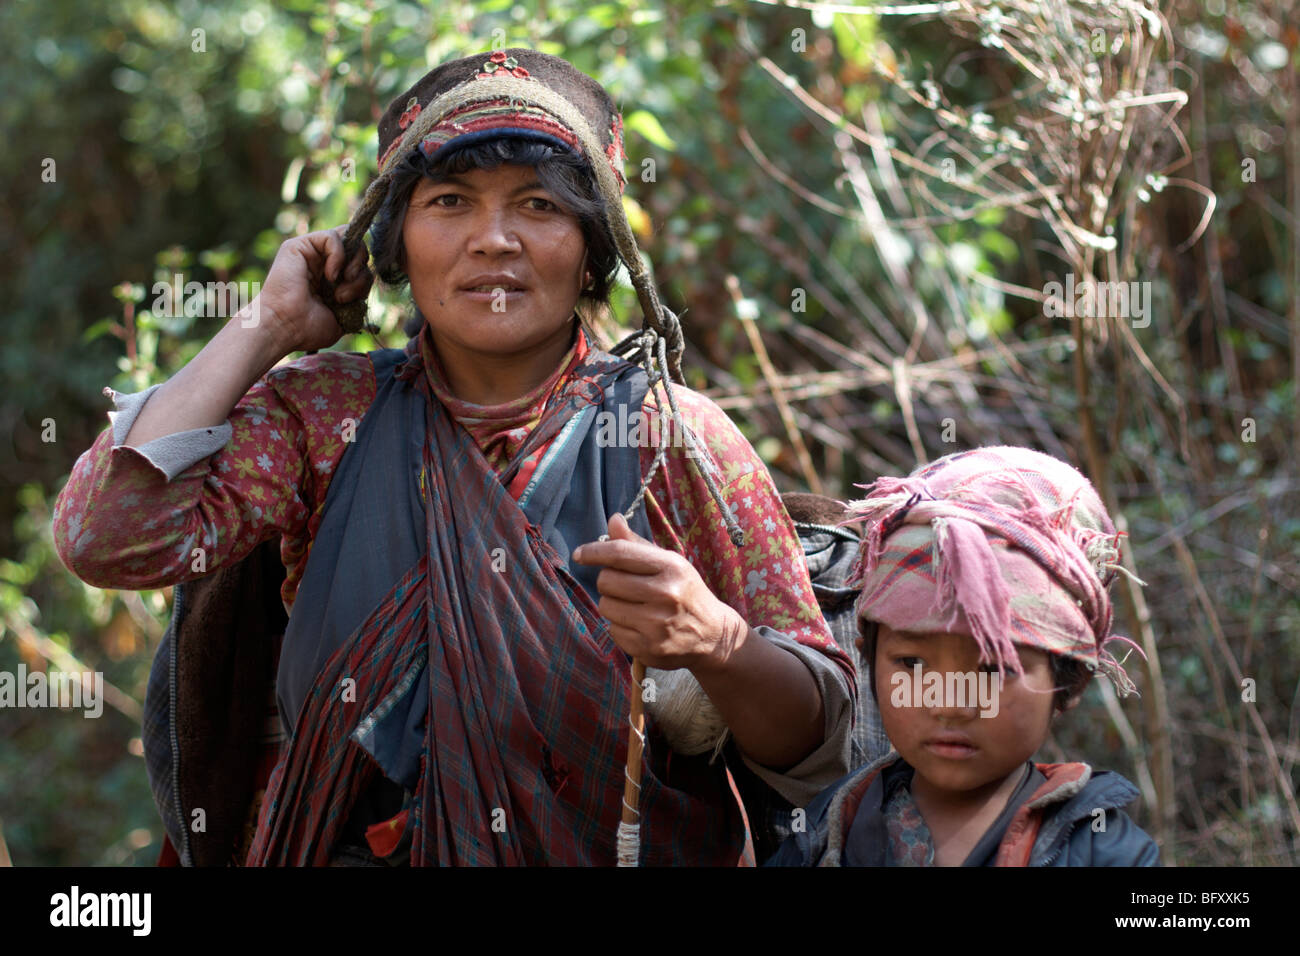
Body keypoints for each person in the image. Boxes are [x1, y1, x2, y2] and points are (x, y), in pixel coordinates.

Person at [52, 48, 856, 867]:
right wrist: (268, 327)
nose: (493, 240)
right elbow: (108, 537)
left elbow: (818, 739)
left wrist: (715, 642)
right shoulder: (328, 416)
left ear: (594, 244)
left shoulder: (669, 439)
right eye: (449, 202)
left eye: (539, 204)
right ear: (395, 240)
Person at [767, 447, 1160, 867]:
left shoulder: (1102, 849)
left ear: (1070, 679)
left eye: (994, 668)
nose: (949, 703)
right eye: (913, 665)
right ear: (870, 660)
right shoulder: (827, 828)